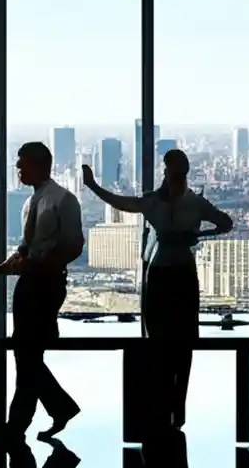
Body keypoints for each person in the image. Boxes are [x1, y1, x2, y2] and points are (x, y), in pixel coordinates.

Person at [82, 149, 232, 429]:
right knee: (179, 346)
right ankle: (175, 408)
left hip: (161, 272)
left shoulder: (158, 202)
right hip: (179, 273)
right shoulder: (194, 203)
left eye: (168, 168)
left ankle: (164, 407)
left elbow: (123, 203)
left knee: (162, 343)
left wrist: (93, 186)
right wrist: (196, 236)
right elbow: (225, 223)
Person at [0, 142, 83, 441]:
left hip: (46, 283)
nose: (18, 169)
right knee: (26, 353)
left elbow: (74, 245)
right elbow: (27, 246)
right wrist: (6, 266)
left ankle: (21, 422)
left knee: (25, 352)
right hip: (32, 282)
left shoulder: (64, 200)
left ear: (38, 164)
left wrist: (41, 264)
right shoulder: (31, 202)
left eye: (22, 163)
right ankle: (57, 408)